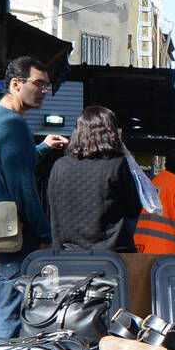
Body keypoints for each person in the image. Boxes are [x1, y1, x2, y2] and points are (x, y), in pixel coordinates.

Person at [0, 56, 68, 343]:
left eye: (47, 86)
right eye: (38, 84)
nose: (44, 91)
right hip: (14, 232)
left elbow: (6, 167)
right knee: (12, 310)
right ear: (16, 84)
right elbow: (23, 188)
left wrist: (41, 148)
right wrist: (44, 232)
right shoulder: (14, 124)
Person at [46, 106, 141, 251]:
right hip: (112, 254)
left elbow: (53, 213)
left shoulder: (59, 166)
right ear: (111, 133)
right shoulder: (116, 163)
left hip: (69, 252)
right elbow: (133, 208)